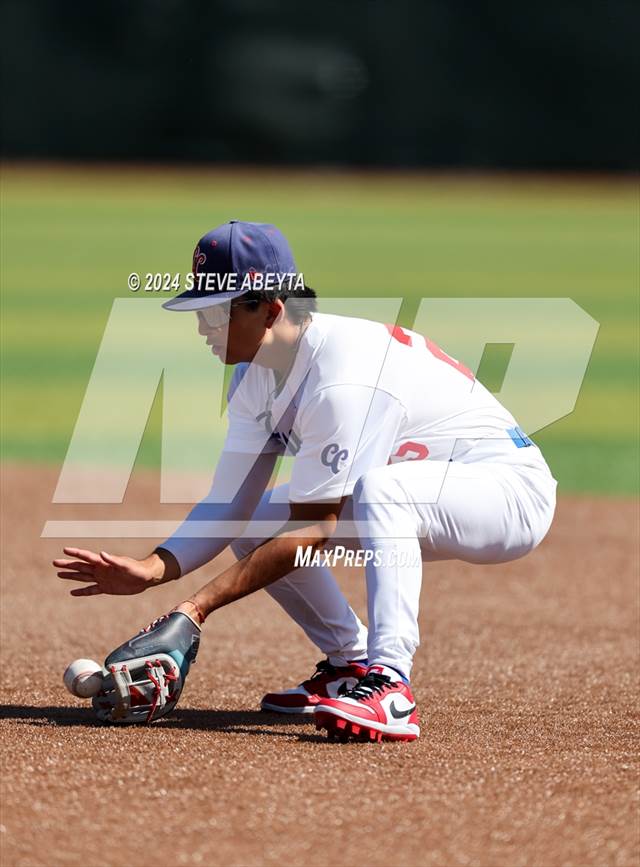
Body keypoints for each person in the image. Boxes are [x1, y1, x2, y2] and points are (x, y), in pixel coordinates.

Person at [54, 220, 557, 743]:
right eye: (201, 310)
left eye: (218, 312)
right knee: (259, 522)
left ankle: (391, 685)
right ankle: (350, 664)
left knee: (381, 492)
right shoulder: (254, 375)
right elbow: (230, 505)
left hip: (506, 493)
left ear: (272, 310)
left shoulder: (342, 376)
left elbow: (314, 530)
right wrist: (152, 568)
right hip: (427, 494)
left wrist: (194, 610)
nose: (204, 326)